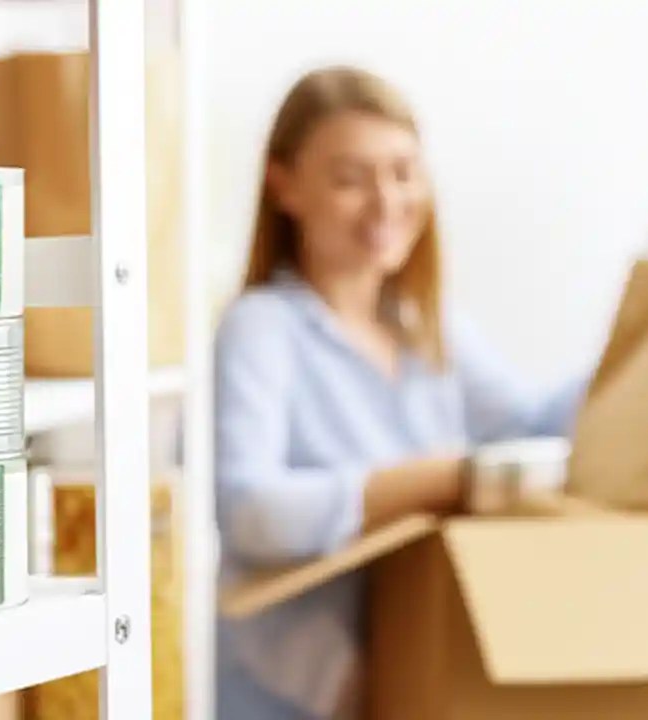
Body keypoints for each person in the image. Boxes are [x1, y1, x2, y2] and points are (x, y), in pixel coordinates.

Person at [213, 66, 586, 720]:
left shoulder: (425, 326)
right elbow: (251, 512)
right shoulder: (262, 328)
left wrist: (639, 348)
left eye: (404, 173)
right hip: (301, 694)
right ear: (285, 185)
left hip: (416, 671)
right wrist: (435, 480)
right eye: (351, 179)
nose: (387, 203)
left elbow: (529, 430)